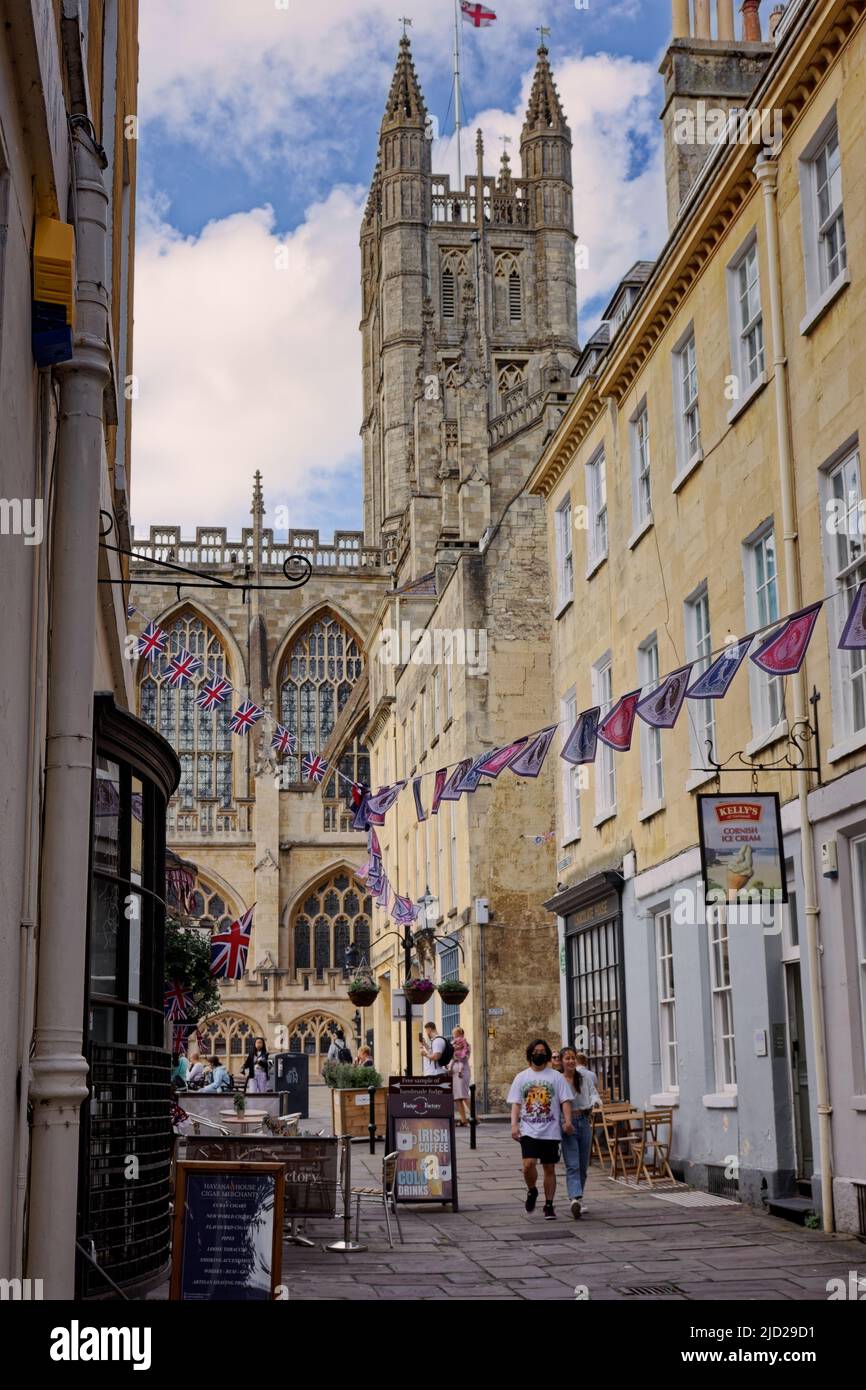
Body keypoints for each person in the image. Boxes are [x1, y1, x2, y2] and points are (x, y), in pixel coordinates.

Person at [508, 1039, 574, 1220]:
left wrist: (568, 1121)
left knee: (549, 1168)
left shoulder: (556, 1077)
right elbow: (516, 1103)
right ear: (530, 1054)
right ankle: (532, 1190)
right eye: (536, 1051)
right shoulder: (522, 1077)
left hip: (550, 1130)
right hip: (528, 1129)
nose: (539, 1053)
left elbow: (565, 1101)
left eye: (542, 1051)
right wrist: (514, 1125)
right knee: (528, 1164)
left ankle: (549, 1204)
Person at [559, 1046, 600, 1219]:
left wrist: (596, 1102)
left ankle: (578, 1198)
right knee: (573, 1164)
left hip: (584, 1121)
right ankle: (574, 1198)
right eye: (567, 1058)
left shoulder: (584, 1078)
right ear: (561, 1061)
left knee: (583, 1165)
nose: (570, 1061)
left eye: (572, 1058)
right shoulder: (558, 1080)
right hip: (567, 1124)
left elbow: (593, 1094)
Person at [450, 1027, 471, 1125]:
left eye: (454, 1033)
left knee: (464, 1095)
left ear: (460, 1034)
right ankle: (463, 1120)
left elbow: (463, 1058)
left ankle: (476, 1117)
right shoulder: (453, 1044)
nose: (453, 1035)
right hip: (454, 1072)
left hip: (462, 1071)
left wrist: (454, 1053)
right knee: (457, 1097)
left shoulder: (465, 1044)